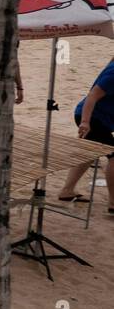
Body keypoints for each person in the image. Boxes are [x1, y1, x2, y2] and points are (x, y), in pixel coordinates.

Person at [55, 57, 114, 214]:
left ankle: (66, 191)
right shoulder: (113, 72)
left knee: (88, 153)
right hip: (91, 117)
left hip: (99, 118)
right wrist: (85, 122)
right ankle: (113, 203)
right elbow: (92, 96)